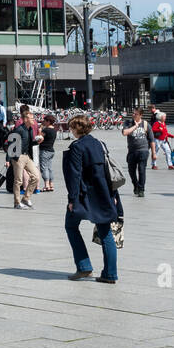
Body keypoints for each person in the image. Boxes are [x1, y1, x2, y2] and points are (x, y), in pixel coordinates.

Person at [63, 114, 121, 284]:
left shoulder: (77, 147)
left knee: (71, 226)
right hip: (104, 194)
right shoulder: (100, 144)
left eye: (71, 127)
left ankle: (83, 265)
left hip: (84, 195)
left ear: (76, 128)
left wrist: (72, 200)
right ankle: (110, 274)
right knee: (106, 234)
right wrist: (114, 196)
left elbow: (74, 176)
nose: (70, 130)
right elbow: (109, 172)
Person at [5, 115, 39, 210]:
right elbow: (11, 144)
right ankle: (17, 203)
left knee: (36, 176)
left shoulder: (30, 129)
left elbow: (29, 143)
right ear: (25, 119)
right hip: (18, 157)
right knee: (18, 180)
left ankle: (26, 198)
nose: (33, 120)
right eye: (31, 118)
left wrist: (37, 142)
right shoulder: (19, 129)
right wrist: (7, 159)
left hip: (27, 156)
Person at [121, 108, 154, 197]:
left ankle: (141, 189)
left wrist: (154, 153)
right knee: (131, 170)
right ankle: (136, 185)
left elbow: (151, 140)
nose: (133, 115)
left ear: (140, 115)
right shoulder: (128, 123)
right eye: (133, 113)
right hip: (132, 151)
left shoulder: (146, 124)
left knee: (141, 170)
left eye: (135, 114)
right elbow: (124, 132)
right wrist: (135, 126)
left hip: (143, 150)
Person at [38, 113, 58, 192]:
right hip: (51, 150)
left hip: (44, 150)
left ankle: (46, 185)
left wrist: (40, 131)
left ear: (48, 121)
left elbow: (39, 139)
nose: (43, 122)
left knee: (44, 168)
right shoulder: (54, 130)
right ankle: (51, 184)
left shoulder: (45, 130)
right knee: (50, 168)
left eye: (45, 120)